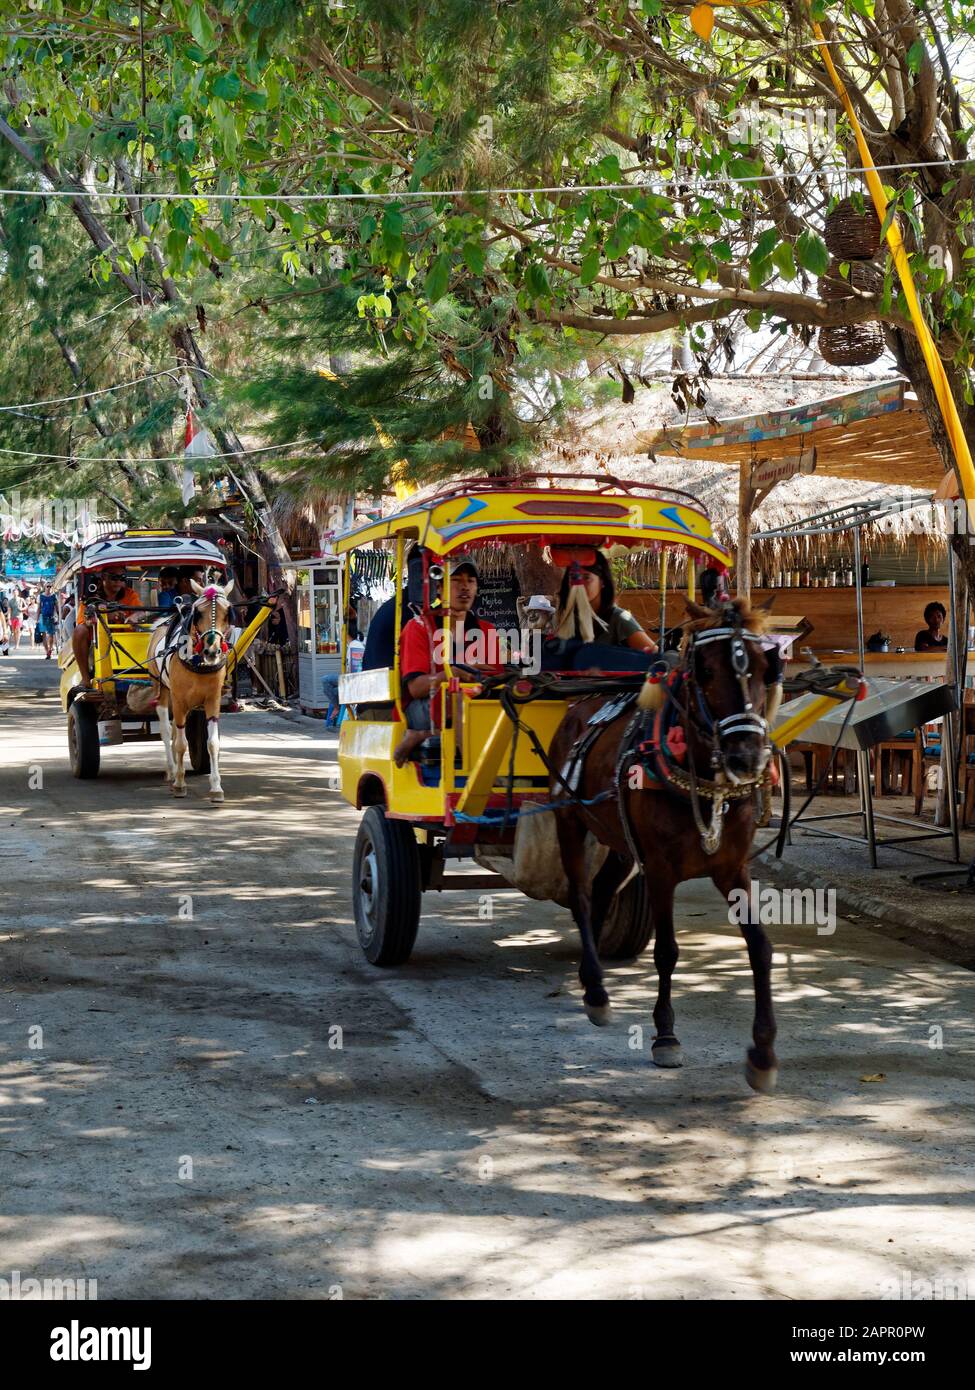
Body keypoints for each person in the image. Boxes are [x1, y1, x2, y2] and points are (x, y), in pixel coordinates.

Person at [394, 557, 496, 766]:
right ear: (439, 588)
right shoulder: (419, 627)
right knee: (458, 699)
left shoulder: (487, 630)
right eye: (456, 580)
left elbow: (495, 676)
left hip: (475, 703)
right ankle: (476, 772)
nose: (464, 587)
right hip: (425, 706)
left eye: (471, 581)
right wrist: (454, 673)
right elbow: (415, 688)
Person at [546, 549, 657, 671]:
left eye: (586, 578)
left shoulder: (620, 618)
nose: (579, 585)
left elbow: (656, 660)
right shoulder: (565, 619)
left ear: (602, 582)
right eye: (573, 577)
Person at [71, 571, 142, 684]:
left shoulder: (130, 594)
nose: (118, 582)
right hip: (98, 643)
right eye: (114, 577)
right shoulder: (92, 597)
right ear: (104, 577)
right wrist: (103, 616)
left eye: (121, 578)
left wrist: (135, 616)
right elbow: (84, 620)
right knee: (80, 631)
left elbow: (140, 611)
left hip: (127, 642)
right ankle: (85, 677)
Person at [35, 583, 59, 660]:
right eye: (47, 586)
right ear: (44, 587)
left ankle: (50, 649)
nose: (49, 588)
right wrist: (37, 619)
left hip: (51, 617)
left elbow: (57, 607)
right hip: (42, 617)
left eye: (50, 586)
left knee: (51, 635)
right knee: (43, 634)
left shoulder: (54, 596)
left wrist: (58, 617)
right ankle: (47, 651)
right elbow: (39, 608)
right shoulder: (40, 596)